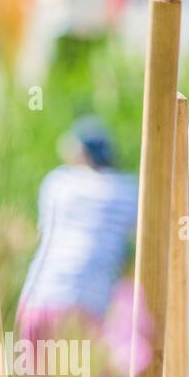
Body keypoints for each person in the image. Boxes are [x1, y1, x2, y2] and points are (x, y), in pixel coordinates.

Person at [15, 116, 138, 344]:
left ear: (80, 152)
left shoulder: (57, 183)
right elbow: (143, 241)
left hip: (39, 296)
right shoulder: (129, 192)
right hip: (88, 305)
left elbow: (45, 235)